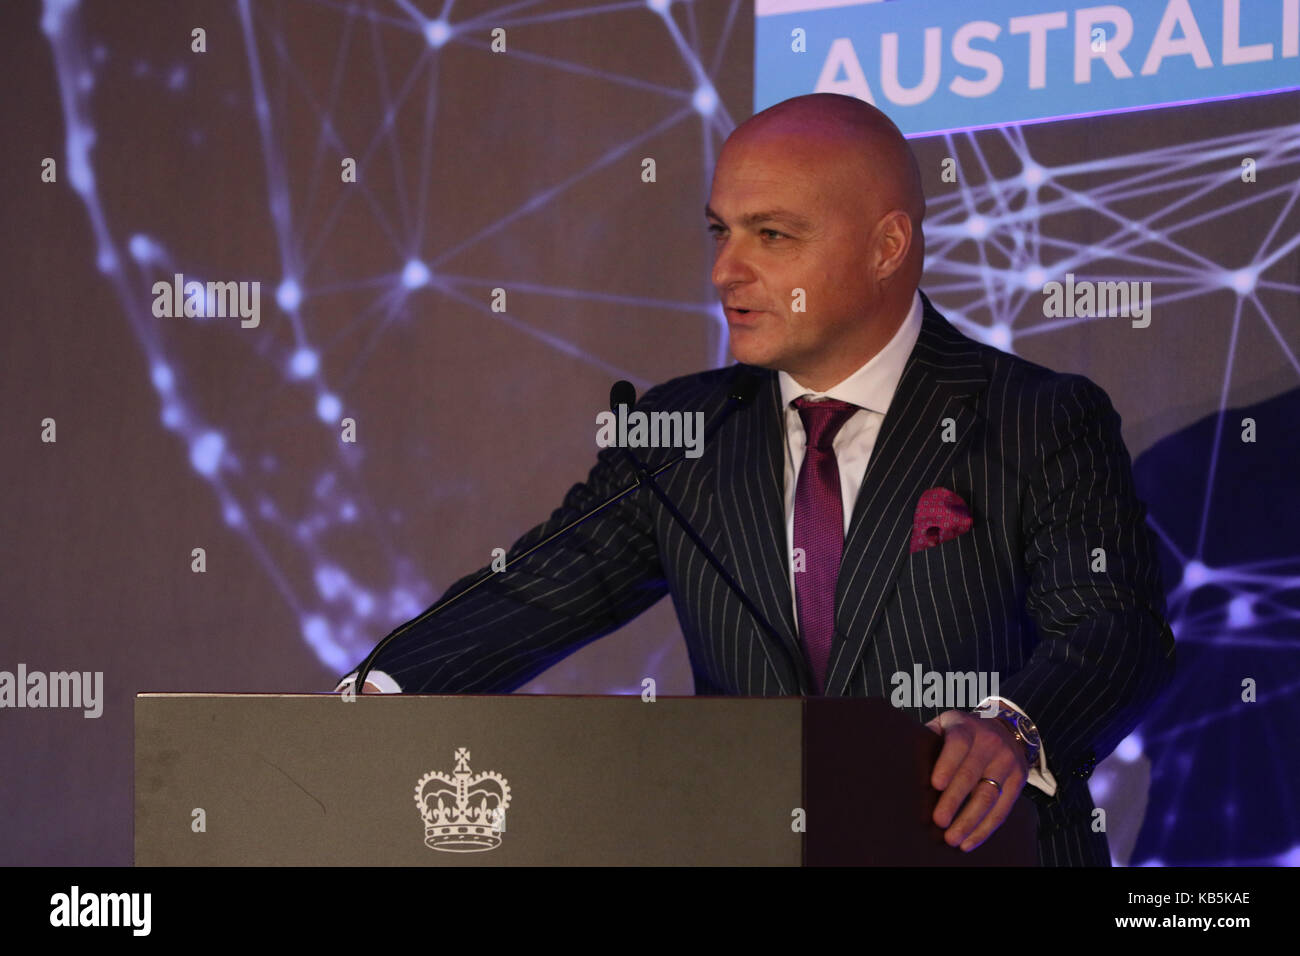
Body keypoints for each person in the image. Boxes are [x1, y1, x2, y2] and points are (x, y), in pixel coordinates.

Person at [338, 93, 1175, 866]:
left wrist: (1013, 729)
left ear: (888, 246)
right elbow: (532, 595)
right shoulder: (679, 435)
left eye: (771, 235)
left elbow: (1115, 629)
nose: (725, 272)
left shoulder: (1037, 417)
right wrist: (363, 700)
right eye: (720, 232)